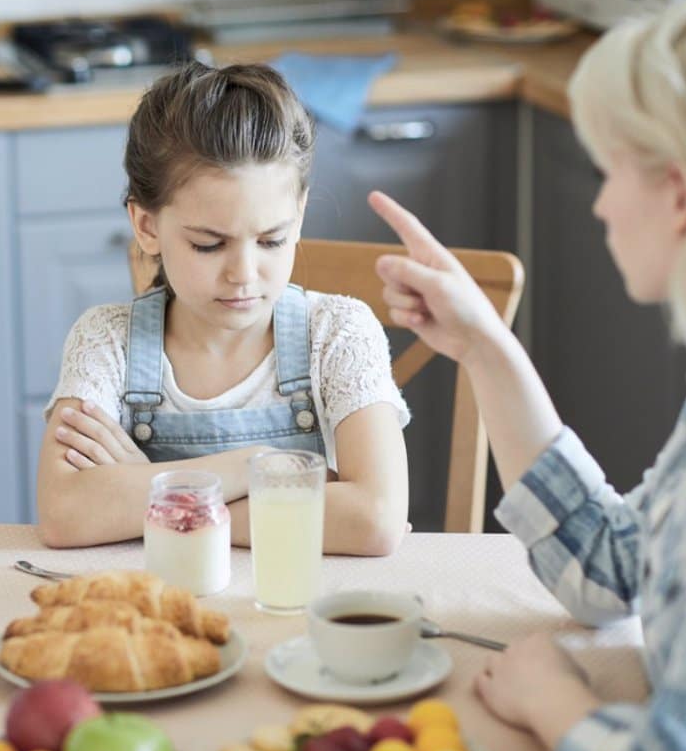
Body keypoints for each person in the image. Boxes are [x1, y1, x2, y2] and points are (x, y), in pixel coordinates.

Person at [370, 0, 686, 751]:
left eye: (609, 172)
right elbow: (609, 567)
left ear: (679, 194)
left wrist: (553, 700)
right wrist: (485, 347)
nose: (600, 202)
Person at [37, 62, 410, 554]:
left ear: (298, 216)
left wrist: (156, 493)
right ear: (147, 226)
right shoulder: (107, 341)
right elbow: (64, 514)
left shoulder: (339, 331)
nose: (244, 273)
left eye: (272, 240)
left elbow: (375, 520)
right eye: (210, 245)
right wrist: (258, 465)